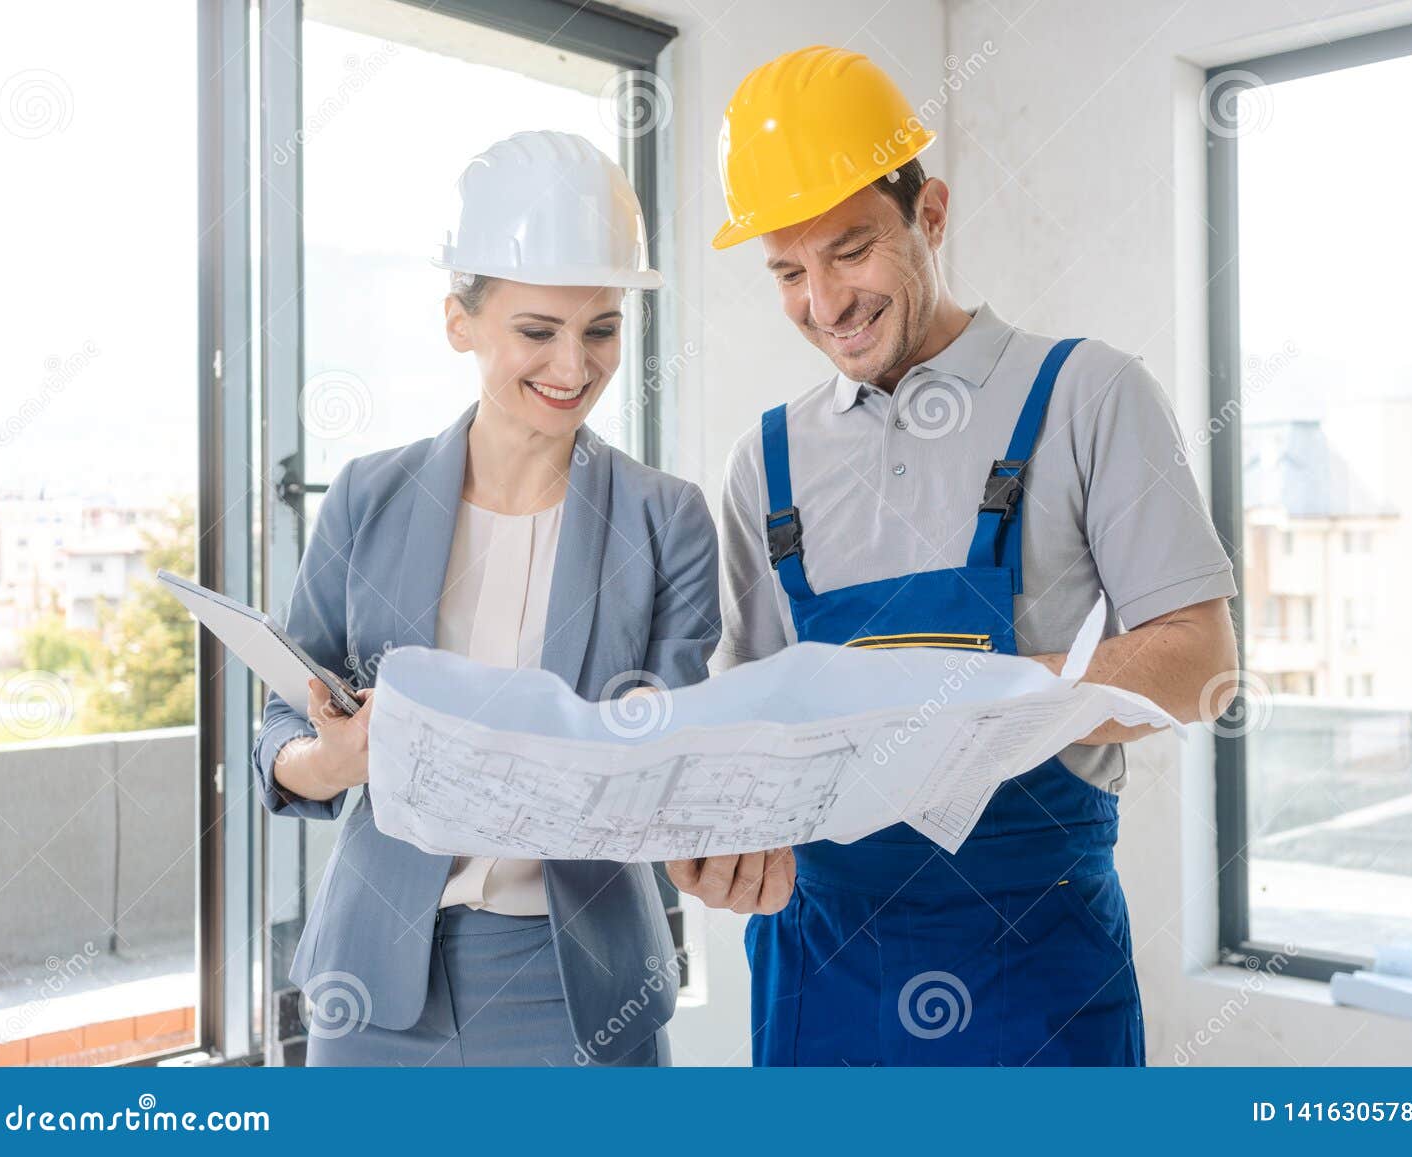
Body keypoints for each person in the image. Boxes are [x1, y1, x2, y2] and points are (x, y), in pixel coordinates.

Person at [669, 46, 1239, 1066]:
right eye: (788, 273)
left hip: (1035, 958)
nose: (824, 302)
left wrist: (975, 712)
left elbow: (1200, 664)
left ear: (929, 214)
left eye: (850, 252)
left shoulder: (1086, 395)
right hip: (819, 965)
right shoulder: (764, 461)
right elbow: (751, 720)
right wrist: (712, 834)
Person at [252, 130, 719, 1066]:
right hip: (375, 981)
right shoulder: (367, 497)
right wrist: (333, 759)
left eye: (601, 329)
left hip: (579, 985)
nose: (574, 367)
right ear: (460, 321)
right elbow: (276, 728)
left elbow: (673, 760)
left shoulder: (668, 520)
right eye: (537, 332)